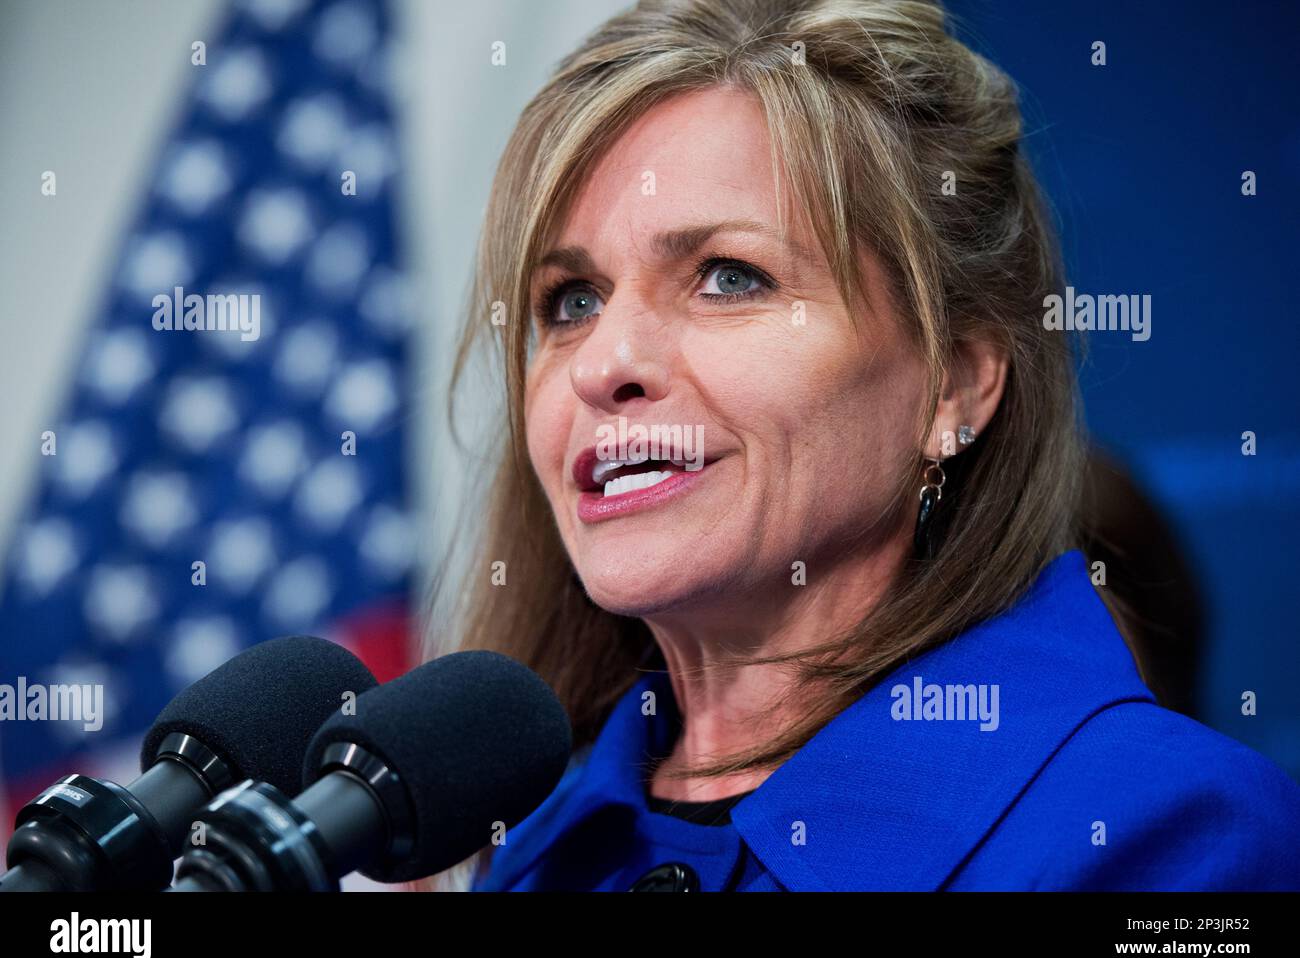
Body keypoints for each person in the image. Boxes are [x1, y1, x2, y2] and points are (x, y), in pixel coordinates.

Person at [426, 0, 1300, 891]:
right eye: (572, 301)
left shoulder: (1178, 836)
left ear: (951, 384)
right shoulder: (535, 855)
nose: (603, 363)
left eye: (729, 279)